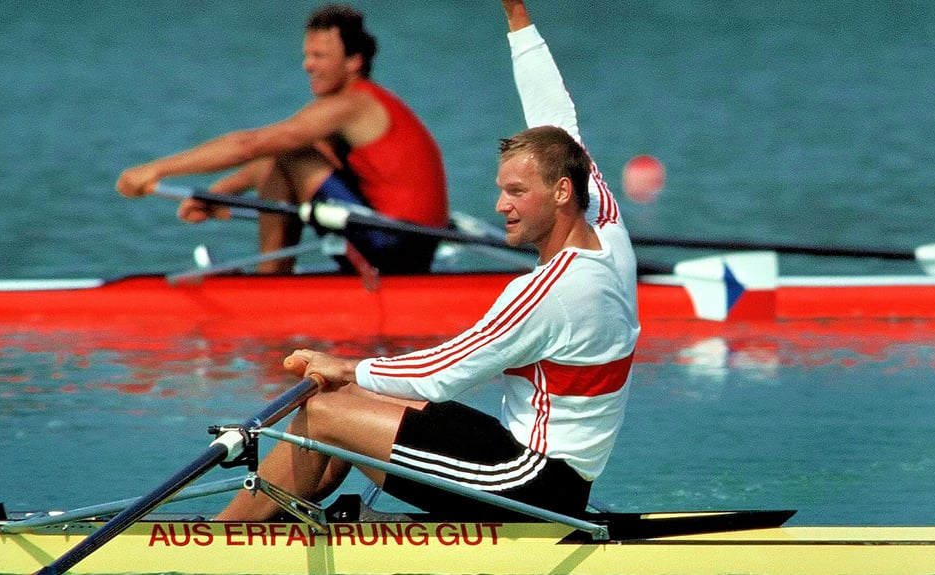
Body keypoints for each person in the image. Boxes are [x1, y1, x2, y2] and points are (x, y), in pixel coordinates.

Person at [213, 0, 640, 521]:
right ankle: (279, 522)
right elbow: (556, 117)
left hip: (530, 484)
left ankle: (216, 536)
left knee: (324, 409)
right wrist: (517, 16)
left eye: (516, 192)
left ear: (560, 192)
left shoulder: (549, 292)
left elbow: (443, 373)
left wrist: (346, 365)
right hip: (534, 459)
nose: (499, 206)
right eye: (501, 189)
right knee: (337, 404)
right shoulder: (608, 226)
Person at [116, 4, 449, 275]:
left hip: (396, 247)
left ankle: (272, 282)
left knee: (287, 150)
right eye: (307, 55)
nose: (308, 66)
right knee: (287, 152)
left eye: (320, 57)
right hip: (410, 244)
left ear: (354, 61)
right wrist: (218, 195)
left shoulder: (352, 105)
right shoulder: (362, 106)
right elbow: (267, 161)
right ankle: (273, 279)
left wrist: (153, 170)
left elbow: (253, 145)